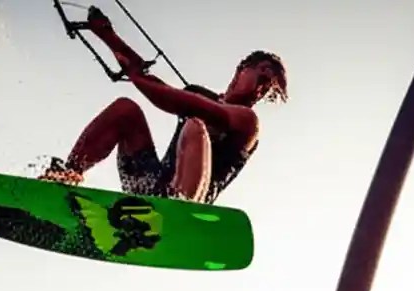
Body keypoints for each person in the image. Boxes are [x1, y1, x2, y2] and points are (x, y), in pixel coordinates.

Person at [39, 6, 288, 205]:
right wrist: (109, 36)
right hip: (153, 187)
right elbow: (152, 83)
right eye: (263, 74)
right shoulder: (207, 97)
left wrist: (137, 75)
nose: (263, 87)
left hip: (188, 197)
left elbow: (166, 97)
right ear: (242, 69)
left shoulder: (247, 121)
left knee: (194, 126)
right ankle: (64, 179)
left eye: (268, 88)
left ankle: (182, 207)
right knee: (125, 109)